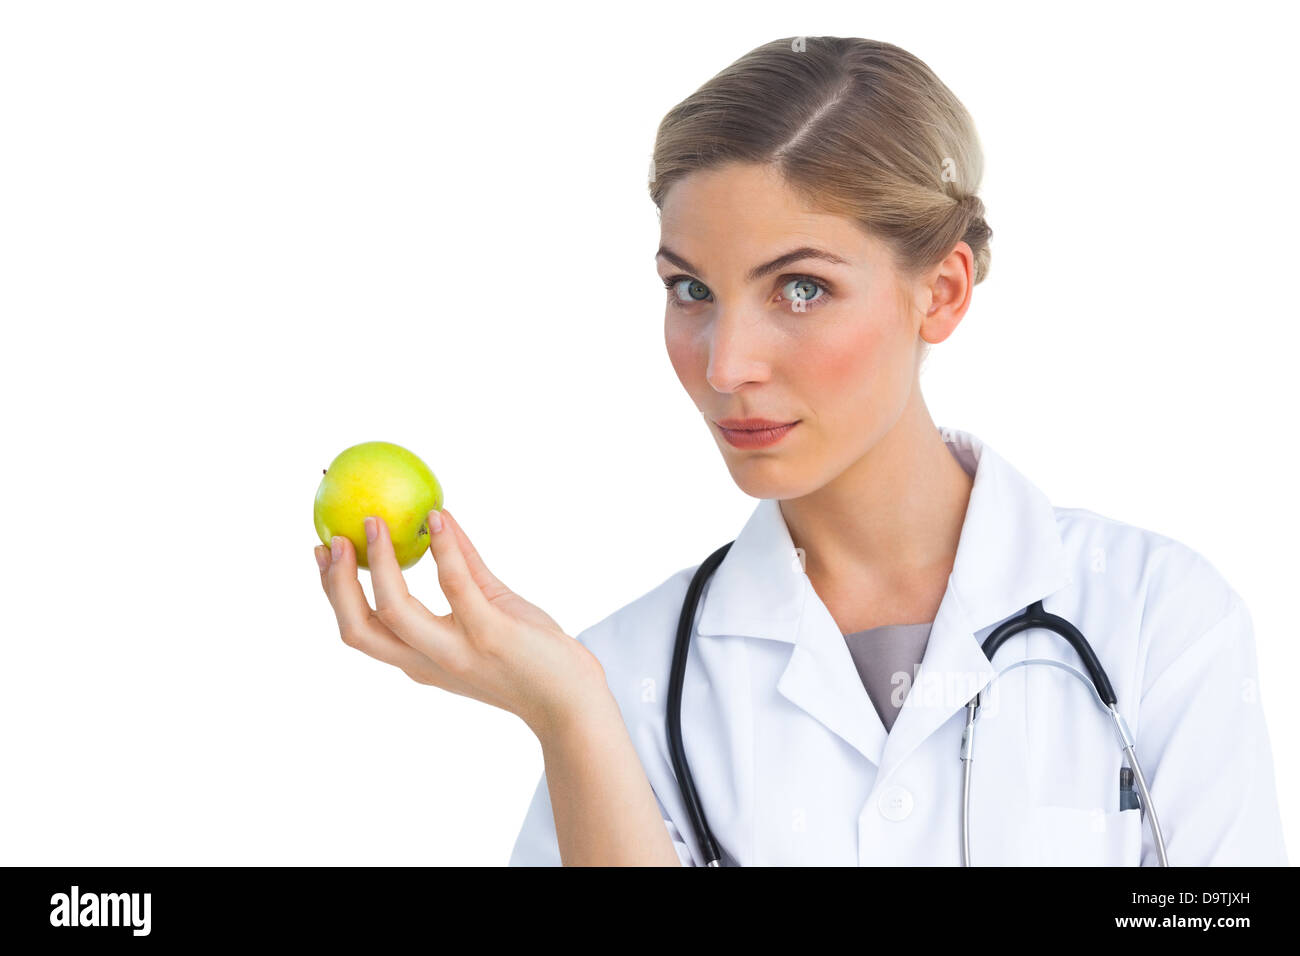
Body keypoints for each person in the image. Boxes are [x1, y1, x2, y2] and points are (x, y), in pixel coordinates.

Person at [315, 36, 1289, 866]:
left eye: (801, 288)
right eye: (690, 288)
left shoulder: (1156, 618)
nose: (725, 363)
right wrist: (570, 714)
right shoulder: (623, 675)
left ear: (941, 292)